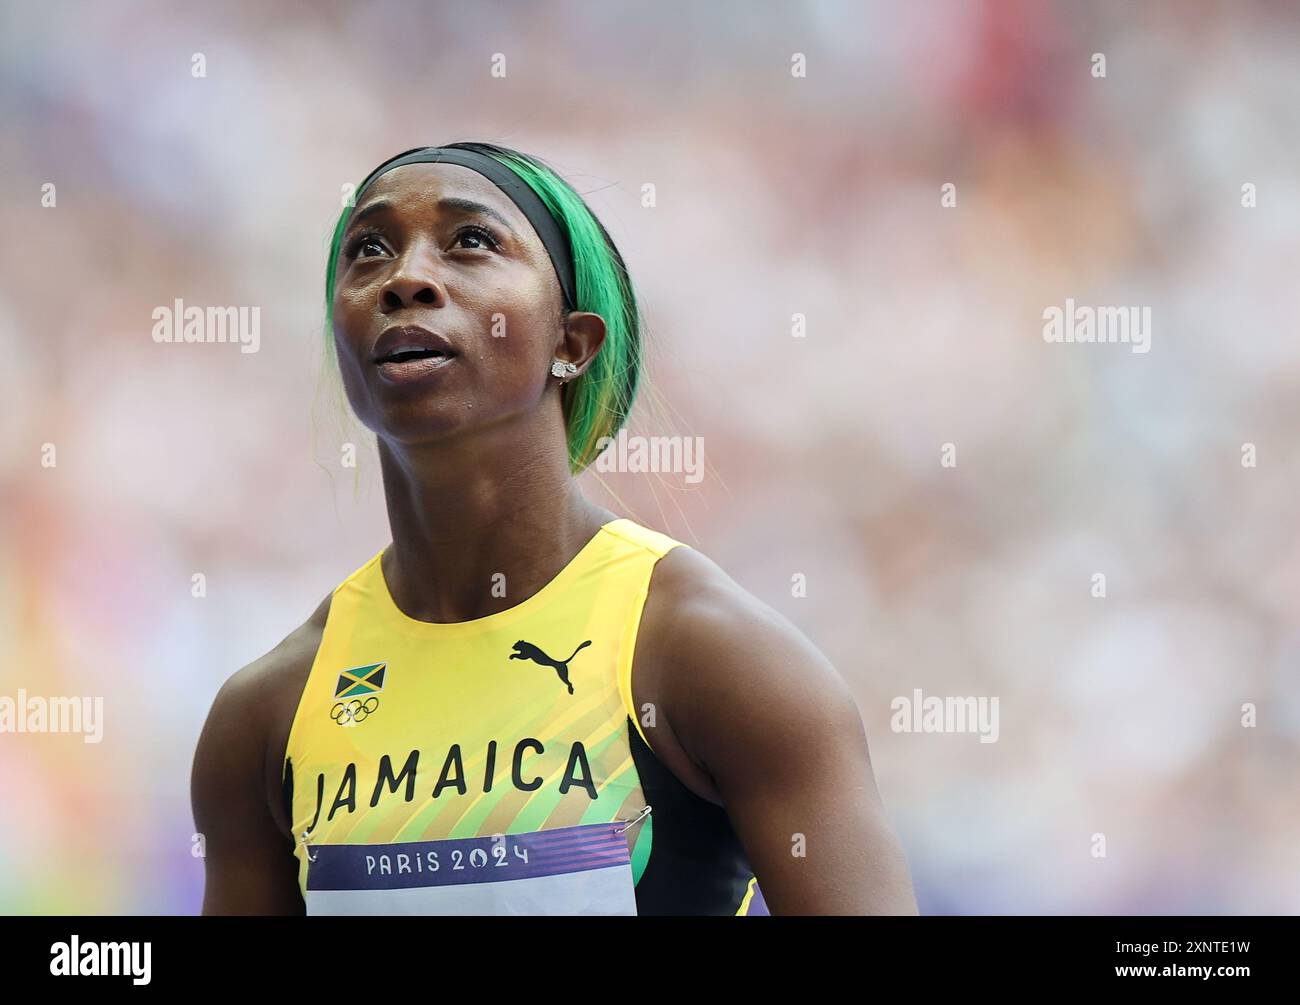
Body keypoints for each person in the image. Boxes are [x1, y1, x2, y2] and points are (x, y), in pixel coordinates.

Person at [191, 142, 917, 915]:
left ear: (571, 343)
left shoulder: (707, 656)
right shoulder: (269, 712)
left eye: (471, 241)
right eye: (367, 249)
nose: (404, 277)